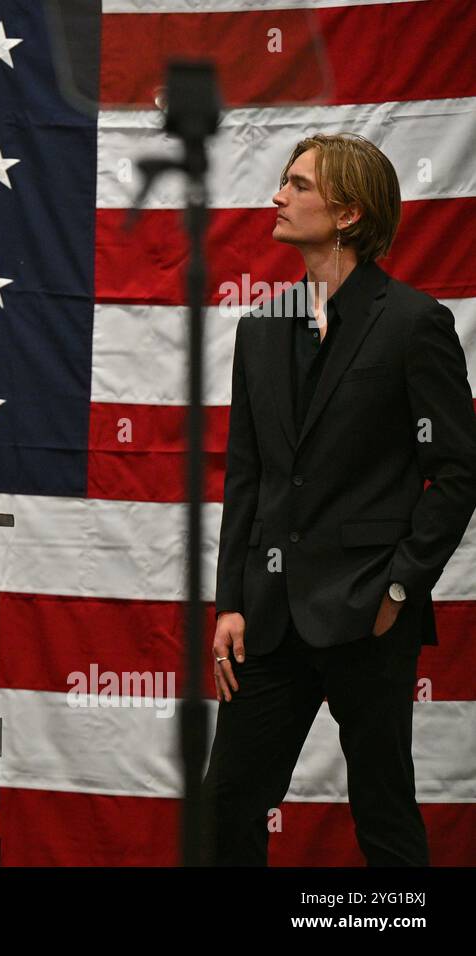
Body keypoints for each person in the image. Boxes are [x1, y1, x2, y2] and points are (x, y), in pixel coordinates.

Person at [206, 133, 476, 865]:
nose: (277, 196)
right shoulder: (261, 328)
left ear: (350, 213)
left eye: (296, 185)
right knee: (226, 809)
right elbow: (248, 474)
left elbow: (456, 469)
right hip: (267, 614)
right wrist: (230, 600)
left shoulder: (415, 323)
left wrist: (400, 583)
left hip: (370, 613)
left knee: (384, 815)